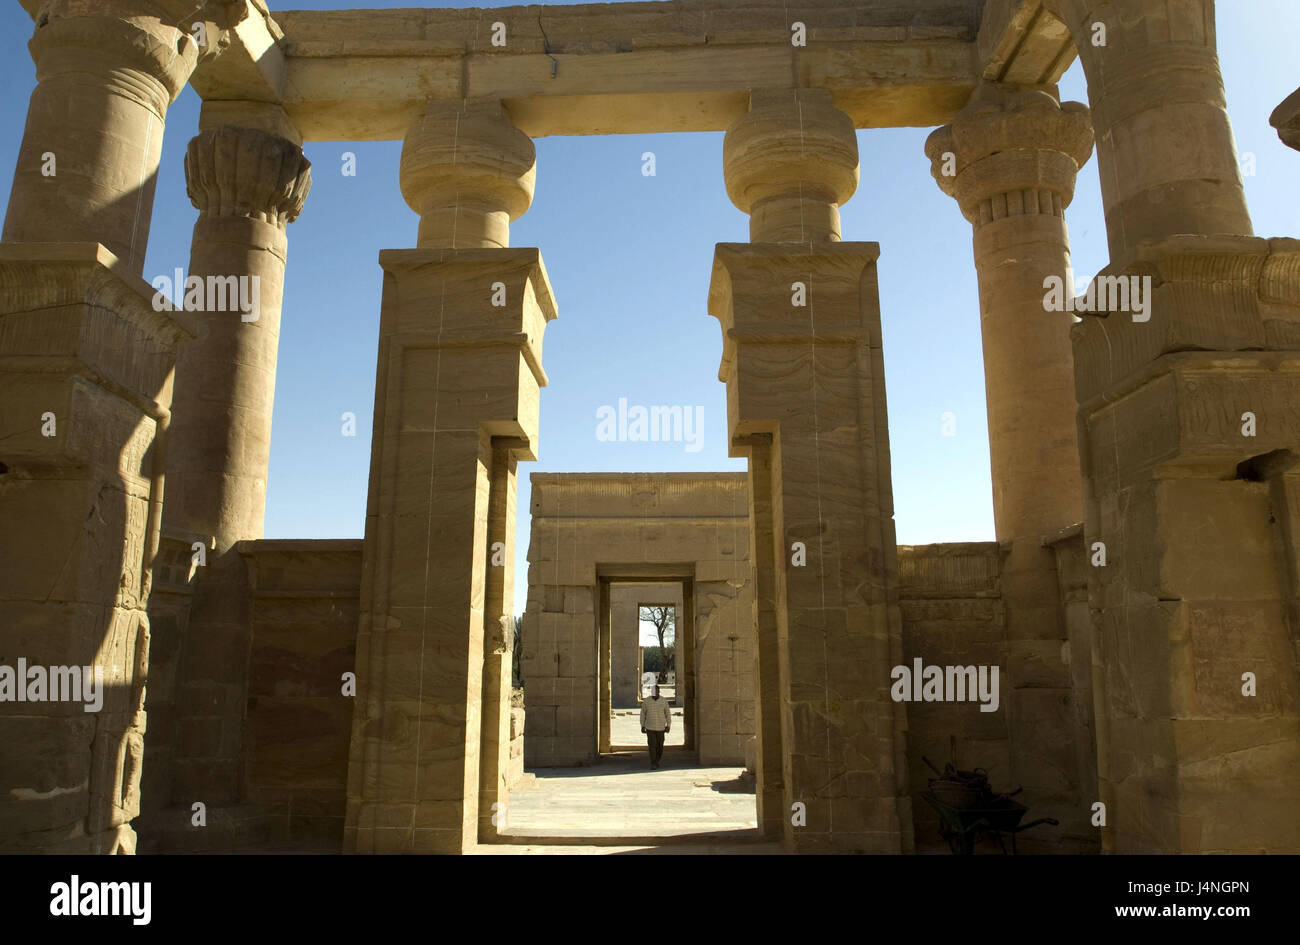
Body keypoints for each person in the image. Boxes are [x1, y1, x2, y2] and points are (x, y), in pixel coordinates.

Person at [640, 684, 671, 769]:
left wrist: (668, 725)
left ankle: (657, 760)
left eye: (656, 691)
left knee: (660, 746)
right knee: (652, 745)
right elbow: (643, 714)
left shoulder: (664, 701)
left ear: (659, 691)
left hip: (661, 727)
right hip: (650, 727)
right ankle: (653, 762)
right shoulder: (646, 701)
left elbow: (667, 714)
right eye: (653, 691)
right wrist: (642, 725)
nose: (655, 693)